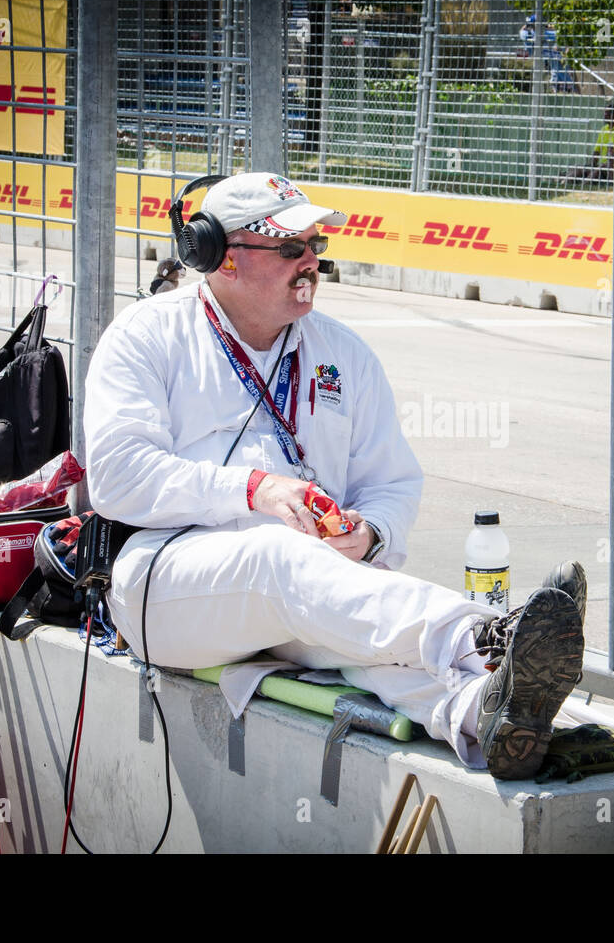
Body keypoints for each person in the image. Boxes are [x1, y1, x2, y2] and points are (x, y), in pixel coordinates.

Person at [83, 172, 587, 780]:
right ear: (219, 257)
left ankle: (494, 717)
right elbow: (116, 477)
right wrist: (254, 490)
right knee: (279, 558)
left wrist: (370, 532)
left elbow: (393, 482)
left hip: (307, 583)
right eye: (292, 248)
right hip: (166, 588)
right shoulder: (145, 336)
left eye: (316, 248)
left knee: (372, 640)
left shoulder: (343, 351)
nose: (310, 263)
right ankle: (486, 640)